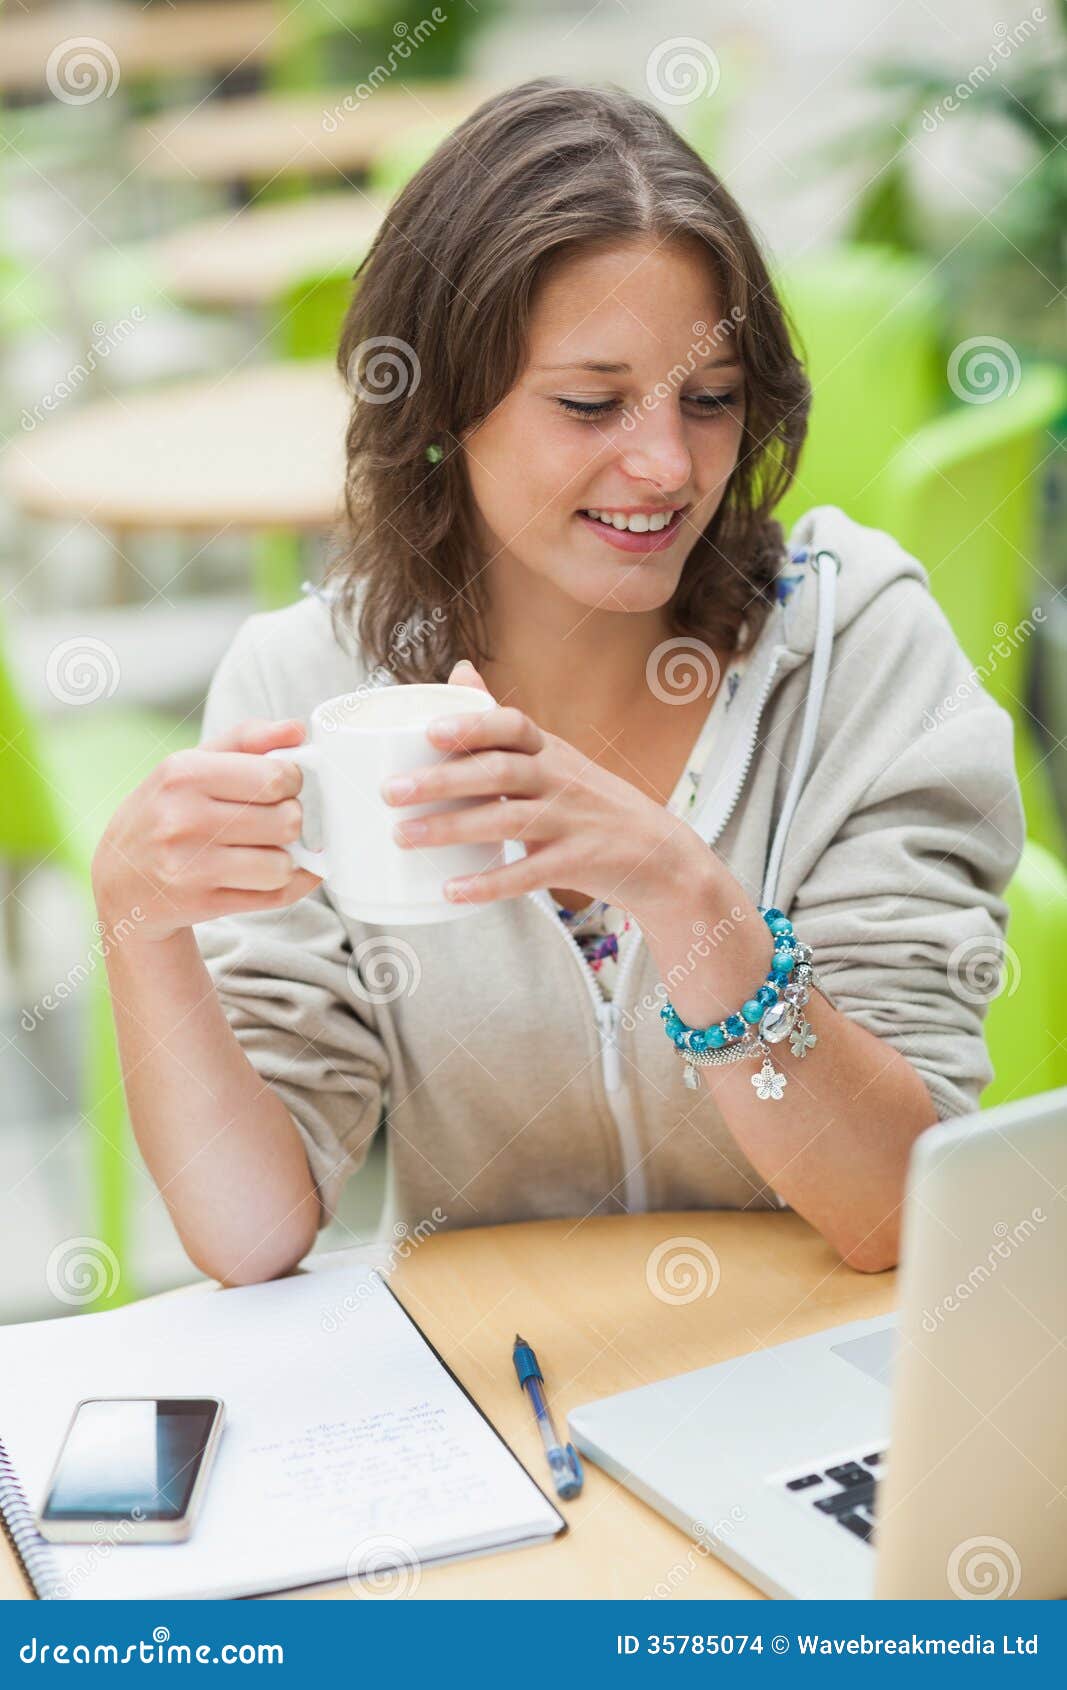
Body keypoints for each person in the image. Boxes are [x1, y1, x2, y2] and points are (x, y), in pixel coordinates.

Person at [91, 79, 1024, 1287]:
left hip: (806, 1392)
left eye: (709, 401)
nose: (664, 463)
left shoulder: (856, 649)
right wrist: (137, 922)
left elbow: (900, 1218)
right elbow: (252, 1231)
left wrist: (685, 896)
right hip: (500, 1401)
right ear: (442, 405)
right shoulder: (312, 688)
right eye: (590, 403)